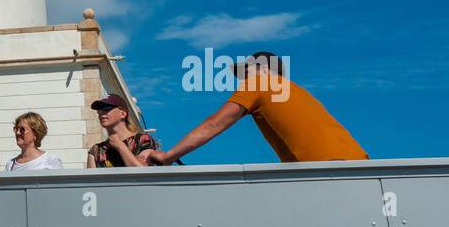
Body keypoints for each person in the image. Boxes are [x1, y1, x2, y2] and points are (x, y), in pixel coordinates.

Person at [143, 52, 368, 165]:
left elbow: (214, 123)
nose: (242, 80)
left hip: (330, 171)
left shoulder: (261, 83)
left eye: (246, 72)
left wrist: (167, 155)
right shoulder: (296, 91)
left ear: (263, 69)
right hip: (360, 167)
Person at [85, 93, 158, 168]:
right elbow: (91, 179)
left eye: (107, 108)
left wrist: (120, 146)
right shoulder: (96, 150)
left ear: (123, 113)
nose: (101, 113)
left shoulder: (143, 140)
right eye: (99, 111)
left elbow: (142, 174)